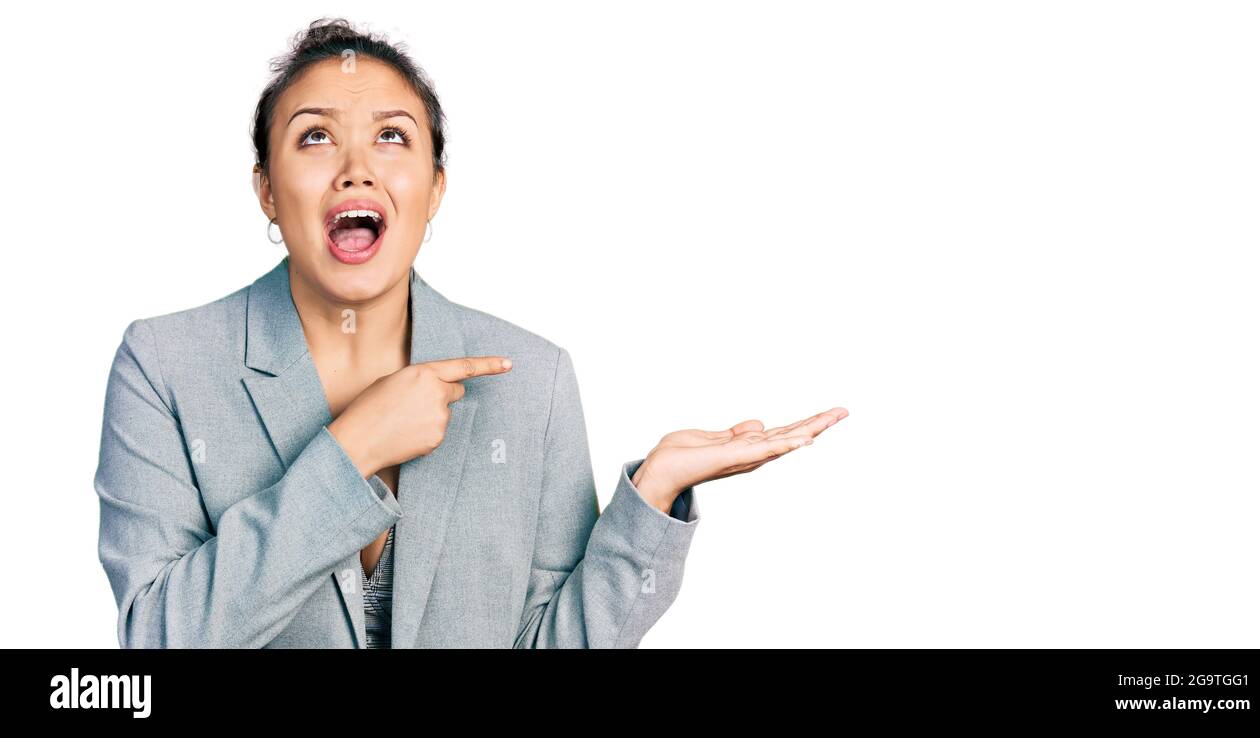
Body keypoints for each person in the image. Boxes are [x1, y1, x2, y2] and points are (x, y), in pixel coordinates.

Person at [94, 17, 847, 648]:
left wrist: (651, 498)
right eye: (315, 137)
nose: (356, 168)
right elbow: (157, 640)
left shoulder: (535, 378)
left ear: (435, 189)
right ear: (265, 187)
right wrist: (352, 451)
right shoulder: (163, 366)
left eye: (392, 137)